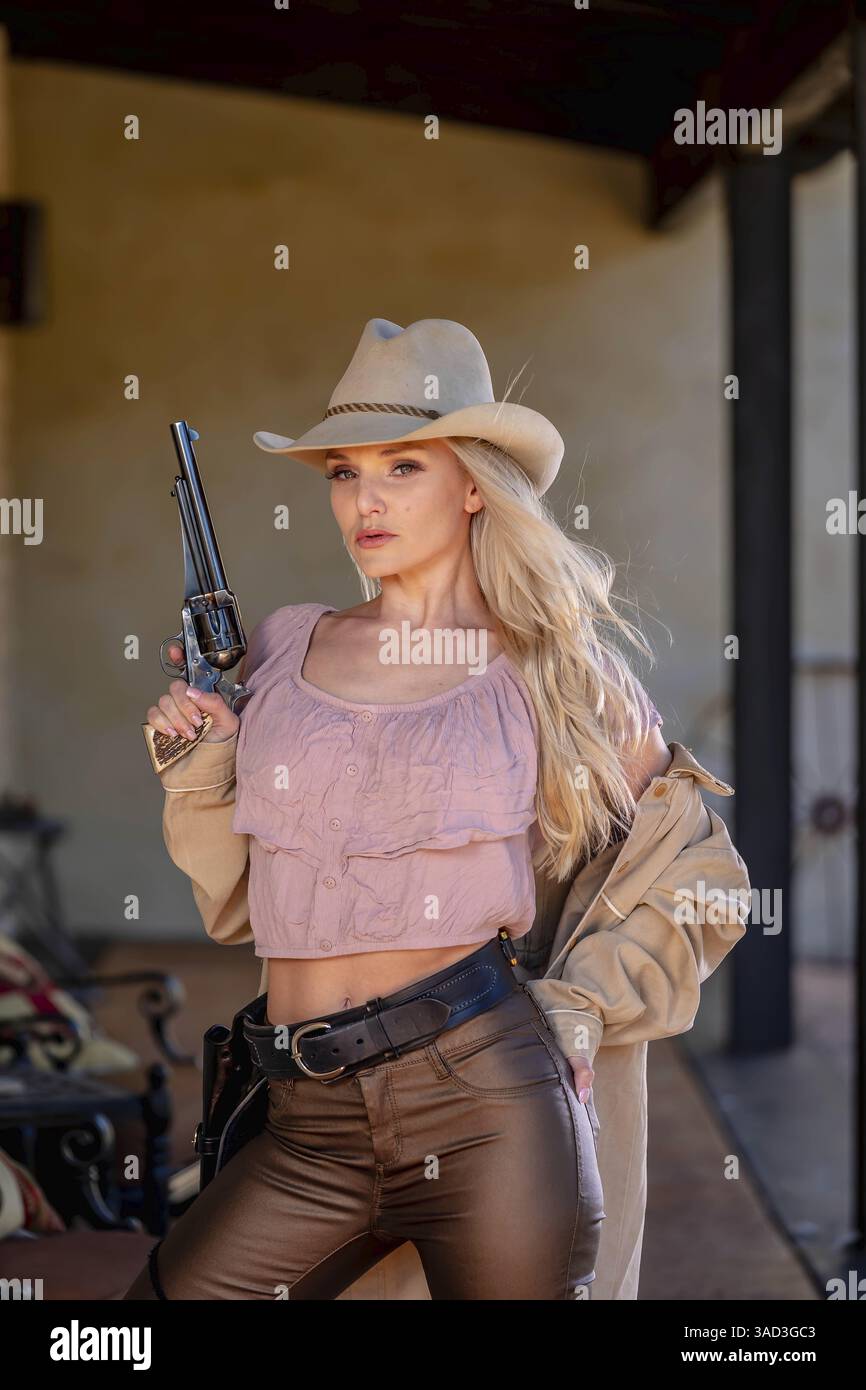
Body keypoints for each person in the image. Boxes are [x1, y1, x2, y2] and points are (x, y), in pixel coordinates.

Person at [124, 318, 685, 1301]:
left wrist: (583, 1006)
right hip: (305, 1118)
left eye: (400, 466)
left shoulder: (551, 668)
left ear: (472, 482)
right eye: (343, 471)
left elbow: (679, 869)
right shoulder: (284, 648)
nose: (363, 499)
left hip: (485, 1099)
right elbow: (250, 902)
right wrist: (205, 763)